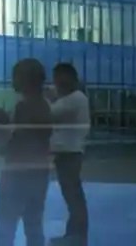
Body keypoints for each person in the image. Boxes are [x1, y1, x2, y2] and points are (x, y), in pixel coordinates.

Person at [0, 58, 53, 246]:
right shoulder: (42, 105)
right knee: (34, 226)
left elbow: (11, 138)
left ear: (25, 80)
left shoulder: (24, 106)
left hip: (17, 174)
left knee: (6, 228)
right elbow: (15, 125)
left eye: (15, 77)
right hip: (39, 173)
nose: (12, 82)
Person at [47, 62, 90, 246]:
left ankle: (77, 236)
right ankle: (74, 234)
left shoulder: (74, 99)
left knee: (72, 195)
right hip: (68, 152)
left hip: (69, 152)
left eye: (58, 79)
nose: (55, 83)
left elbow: (49, 113)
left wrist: (47, 98)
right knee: (72, 194)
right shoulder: (74, 97)